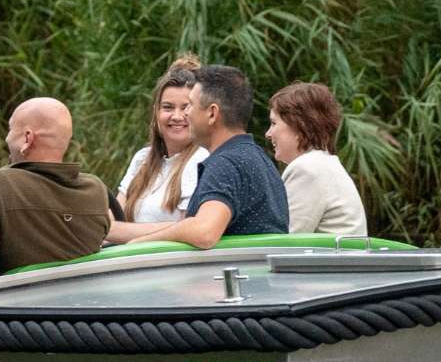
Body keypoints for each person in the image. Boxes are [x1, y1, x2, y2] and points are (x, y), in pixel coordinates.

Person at [0, 98, 112, 277]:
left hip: (9, 299)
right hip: (75, 300)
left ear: (27, 138)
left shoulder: (2, 183)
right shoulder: (95, 190)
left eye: (10, 130)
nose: (7, 139)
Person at [132, 65, 288, 248]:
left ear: (212, 114)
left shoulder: (225, 164)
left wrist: (137, 244)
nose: (185, 113)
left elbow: (204, 232)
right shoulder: (259, 157)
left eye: (190, 105)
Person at [106, 56, 209, 244]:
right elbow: (114, 216)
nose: (177, 116)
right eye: (168, 107)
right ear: (156, 112)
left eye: (185, 108)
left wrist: (114, 231)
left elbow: (187, 227)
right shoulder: (142, 158)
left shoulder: (202, 159)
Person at [266, 82, 368, 237]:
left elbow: (286, 239)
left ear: (299, 125)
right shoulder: (323, 163)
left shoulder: (307, 169)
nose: (268, 133)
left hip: (328, 261)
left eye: (274, 123)